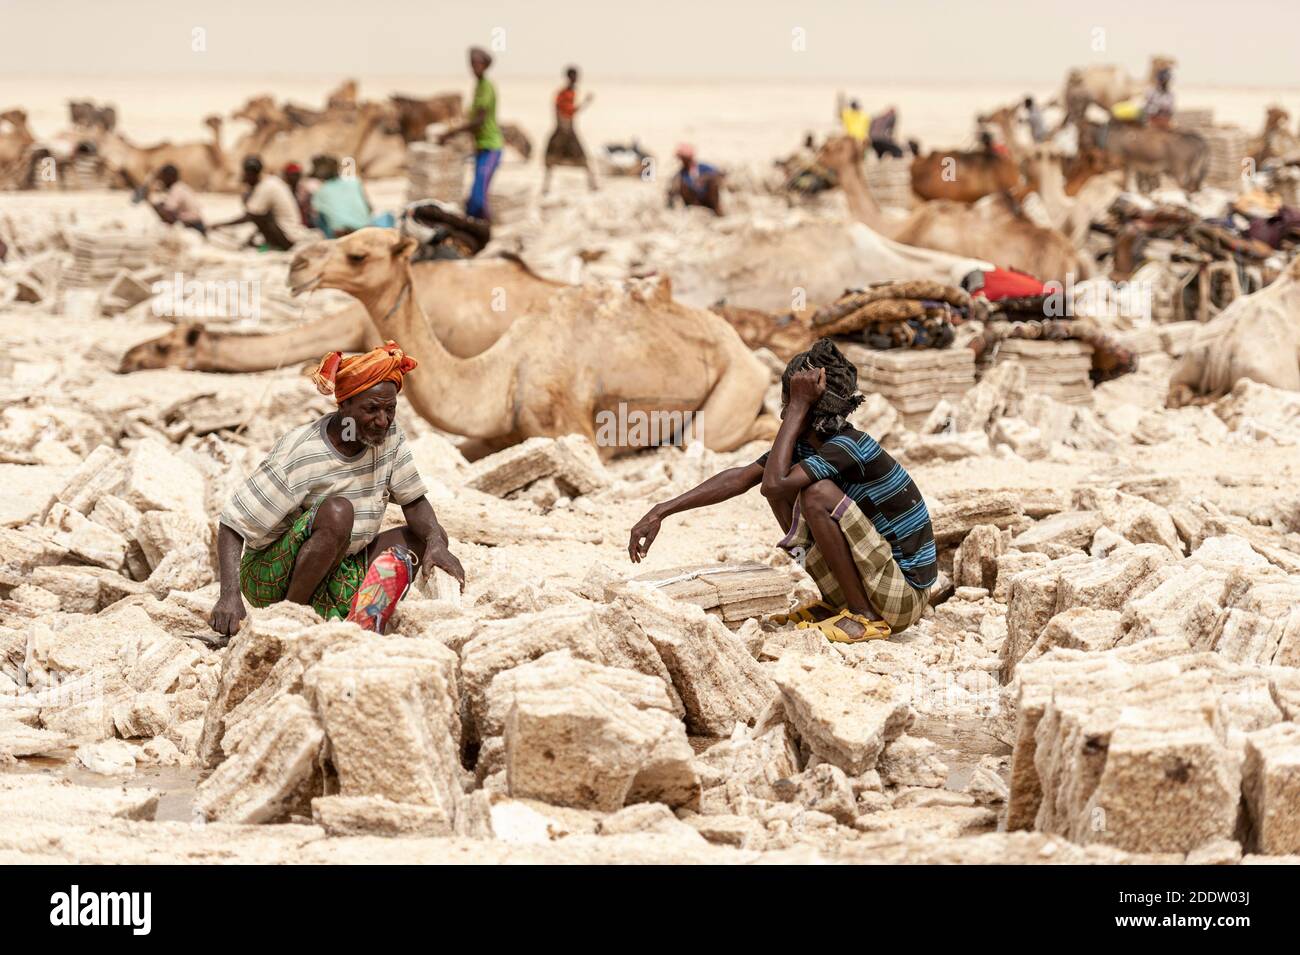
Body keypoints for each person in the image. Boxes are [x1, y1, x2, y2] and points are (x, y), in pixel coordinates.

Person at [628, 339, 936, 643]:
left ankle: (862, 617)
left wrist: (797, 407)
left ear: (806, 409)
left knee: (816, 494)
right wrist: (661, 511)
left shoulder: (848, 446)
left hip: (904, 597)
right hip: (882, 584)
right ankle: (841, 603)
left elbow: (772, 482)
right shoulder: (807, 447)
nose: (782, 414)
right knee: (784, 487)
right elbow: (740, 479)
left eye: (787, 403)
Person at [208, 341, 465, 640]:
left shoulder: (390, 437)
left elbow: (414, 501)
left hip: (339, 567)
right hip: (273, 576)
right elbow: (233, 522)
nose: (382, 421)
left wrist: (436, 541)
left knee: (420, 538)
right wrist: (229, 595)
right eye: (371, 409)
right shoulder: (302, 452)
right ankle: (291, 618)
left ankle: (358, 619)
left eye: (390, 409)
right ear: (344, 405)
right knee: (339, 511)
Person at [439, 47, 503, 221]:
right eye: (472, 63)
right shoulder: (478, 87)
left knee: (478, 197)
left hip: (491, 146)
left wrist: (452, 132)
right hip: (481, 147)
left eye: (478, 63)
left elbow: (479, 120)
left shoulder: (487, 87)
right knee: (474, 195)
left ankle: (485, 228)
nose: (474, 67)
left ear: (485, 65)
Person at [210, 156, 310, 251]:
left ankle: (274, 246)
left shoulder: (266, 186)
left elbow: (250, 216)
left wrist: (220, 225)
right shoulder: (270, 182)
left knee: (257, 214)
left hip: (288, 238)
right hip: (291, 234)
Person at [543, 65, 598, 194]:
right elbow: (568, 111)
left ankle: (592, 185)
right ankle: (546, 187)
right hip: (564, 131)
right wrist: (585, 102)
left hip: (566, 130)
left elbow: (569, 111)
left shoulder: (569, 92)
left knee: (554, 161)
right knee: (553, 161)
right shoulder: (564, 94)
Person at [309, 154, 373, 237]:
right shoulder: (355, 182)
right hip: (365, 228)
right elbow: (369, 208)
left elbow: (315, 216)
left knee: (319, 216)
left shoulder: (320, 192)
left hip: (340, 233)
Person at [145, 164, 205, 234]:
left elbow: (168, 214)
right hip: (197, 223)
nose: (162, 181)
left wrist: (151, 202)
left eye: (163, 178)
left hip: (192, 225)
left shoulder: (176, 189)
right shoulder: (181, 186)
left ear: (168, 177)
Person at [667, 144, 723, 215]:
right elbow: (672, 190)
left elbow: (719, 174)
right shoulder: (681, 174)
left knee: (713, 182)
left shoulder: (702, 167)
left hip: (708, 197)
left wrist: (703, 178)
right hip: (694, 201)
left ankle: (717, 210)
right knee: (679, 183)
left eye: (684, 159)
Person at [282, 161, 318, 228]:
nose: (294, 177)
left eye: (296, 174)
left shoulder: (305, 188)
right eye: (292, 175)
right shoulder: (285, 189)